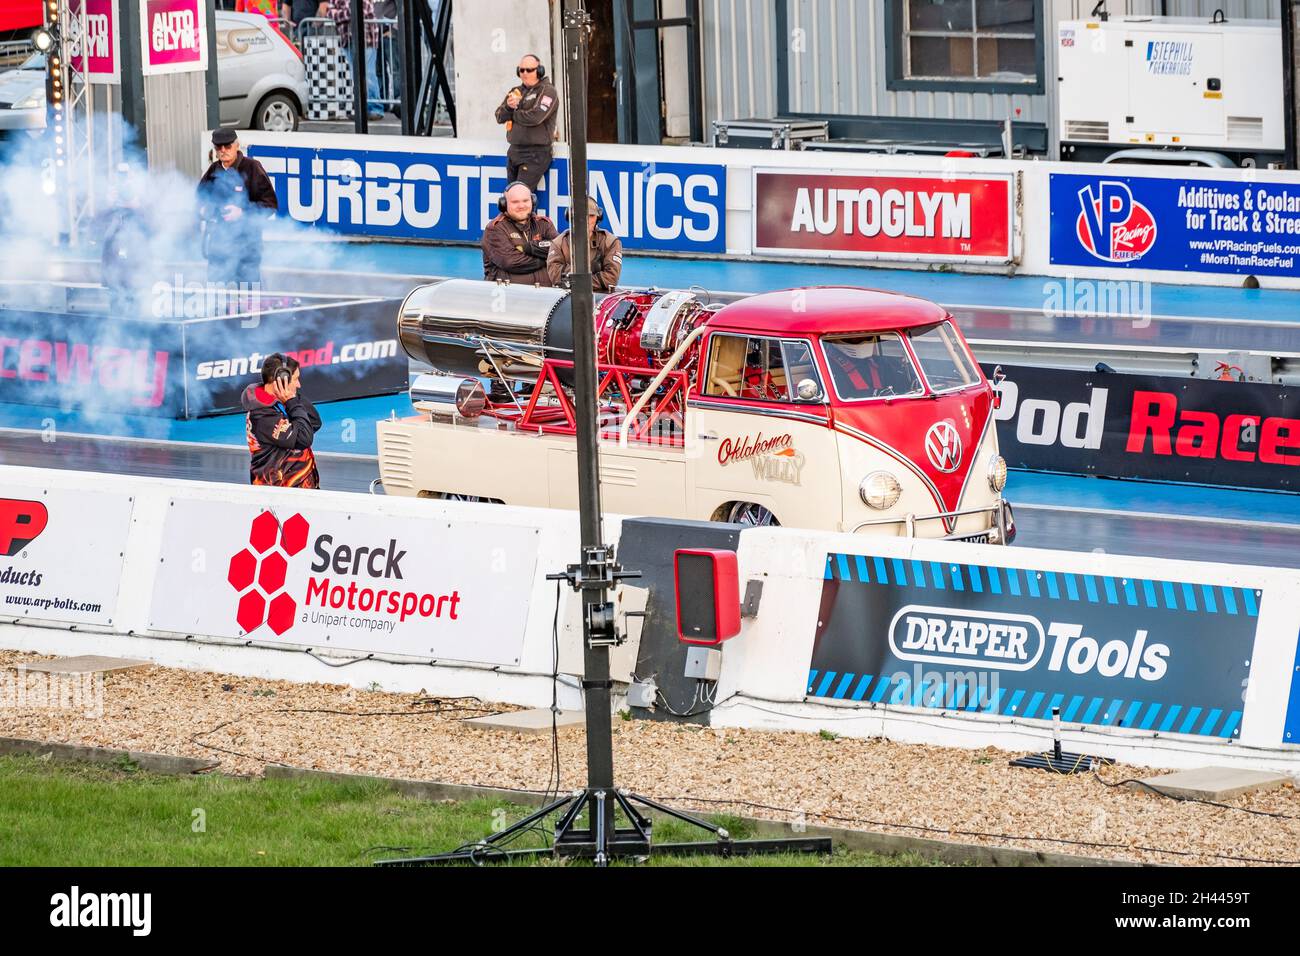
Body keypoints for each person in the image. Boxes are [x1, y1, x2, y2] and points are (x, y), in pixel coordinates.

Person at [196, 129, 279, 285]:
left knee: (248, 296)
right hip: (218, 247)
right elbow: (198, 200)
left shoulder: (252, 167)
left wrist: (242, 212)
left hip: (247, 248)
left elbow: (270, 204)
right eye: (218, 147)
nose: (223, 151)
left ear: (237, 146)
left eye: (227, 146)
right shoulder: (213, 170)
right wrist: (204, 211)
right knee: (217, 295)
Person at [243, 353, 322, 488]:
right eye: (296, 379)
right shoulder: (263, 416)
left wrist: (291, 399)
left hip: (299, 487)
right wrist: (291, 401)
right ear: (281, 380)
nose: (299, 384)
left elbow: (314, 421)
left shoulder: (280, 402)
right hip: (280, 494)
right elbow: (304, 438)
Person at [494, 53, 559, 190]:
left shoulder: (548, 91)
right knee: (511, 197)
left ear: (539, 71)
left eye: (529, 70)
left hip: (535, 153)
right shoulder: (516, 91)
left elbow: (536, 117)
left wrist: (513, 114)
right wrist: (508, 107)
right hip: (514, 151)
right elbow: (499, 116)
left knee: (521, 194)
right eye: (521, 70)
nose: (524, 73)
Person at [482, 182, 557, 286]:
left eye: (525, 200)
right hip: (507, 296)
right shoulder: (495, 229)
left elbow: (559, 250)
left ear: (533, 201)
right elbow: (512, 262)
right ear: (504, 204)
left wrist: (530, 248)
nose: (521, 206)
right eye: (515, 202)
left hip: (544, 295)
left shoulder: (544, 224)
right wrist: (547, 258)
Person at [546, 197, 622, 292]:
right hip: (568, 297)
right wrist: (591, 276)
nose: (586, 220)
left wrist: (575, 279)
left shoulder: (610, 242)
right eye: (580, 215)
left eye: (591, 215)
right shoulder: (558, 242)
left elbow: (611, 278)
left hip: (601, 298)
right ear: (570, 217)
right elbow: (555, 276)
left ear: (598, 218)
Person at [328, 0, 384, 120]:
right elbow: (329, 13)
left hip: (367, 38)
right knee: (356, 76)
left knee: (369, 74)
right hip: (347, 39)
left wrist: (339, 14)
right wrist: (346, 14)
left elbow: (360, 10)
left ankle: (375, 109)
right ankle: (361, 109)